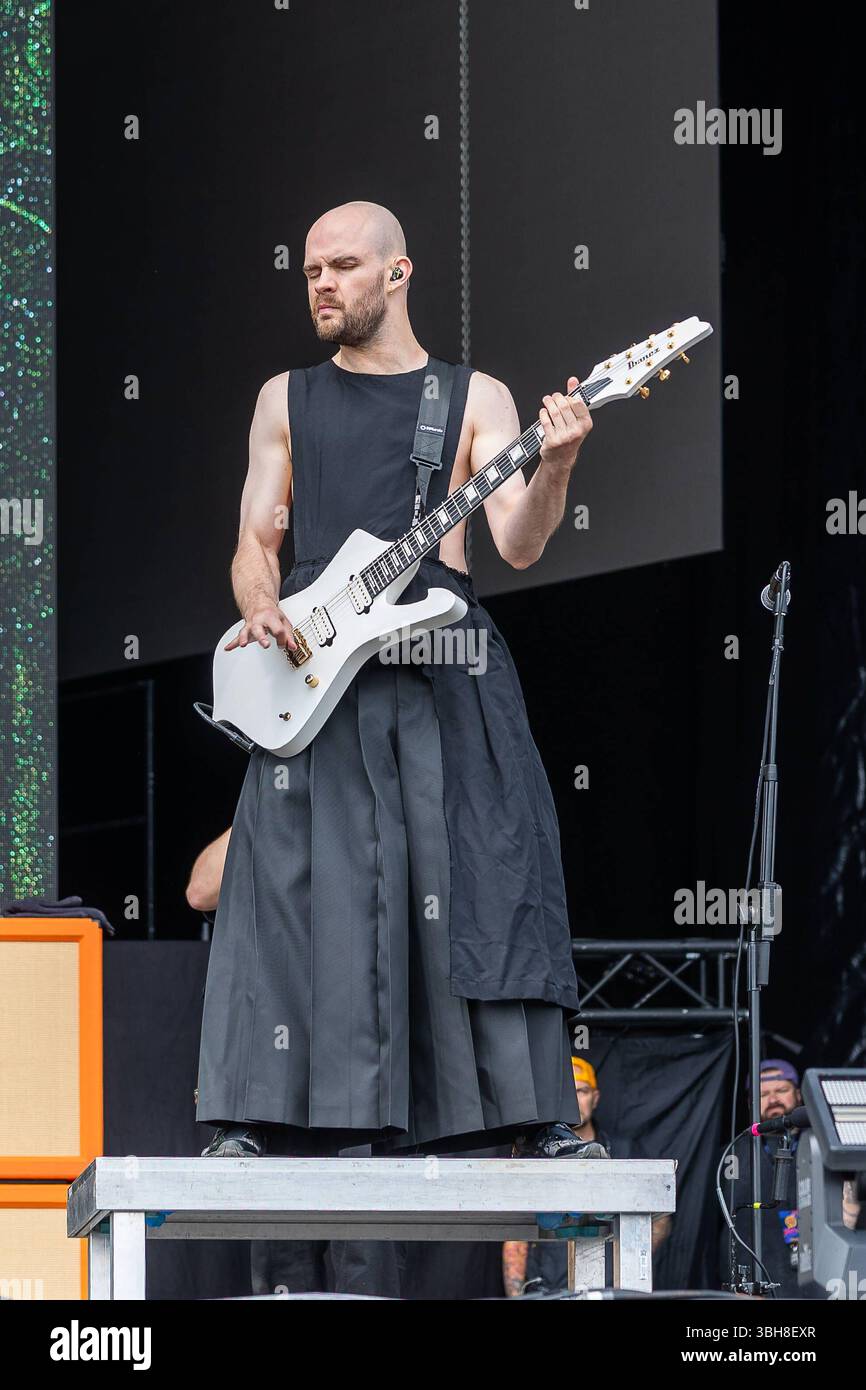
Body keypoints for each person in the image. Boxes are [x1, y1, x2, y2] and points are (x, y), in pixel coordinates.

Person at [195, 199, 602, 1171]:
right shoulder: (282, 399)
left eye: (340, 266)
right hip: (319, 674)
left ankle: (533, 1114)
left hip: (446, 667)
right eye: (309, 272)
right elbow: (256, 543)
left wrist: (559, 465)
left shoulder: (475, 398)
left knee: (490, 878)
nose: (322, 284)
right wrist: (261, 603)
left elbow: (515, 539)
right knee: (288, 888)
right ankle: (257, 1115)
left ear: (397, 272)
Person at [502, 1057, 671, 1296]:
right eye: (568, 1093)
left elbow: (658, 1211)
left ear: (595, 1097)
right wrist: (516, 1293)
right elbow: (515, 1232)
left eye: (581, 1091)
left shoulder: (624, 1152)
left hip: (611, 1290)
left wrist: (628, 1267)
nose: (575, 1100)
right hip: (547, 1288)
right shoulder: (537, 1154)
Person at [721, 1058, 808, 1297]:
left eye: (781, 1090)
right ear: (750, 1103)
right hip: (760, 1283)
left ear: (799, 1094)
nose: (773, 1100)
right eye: (764, 1094)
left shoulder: (821, 1144)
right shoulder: (734, 1152)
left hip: (820, 1281)